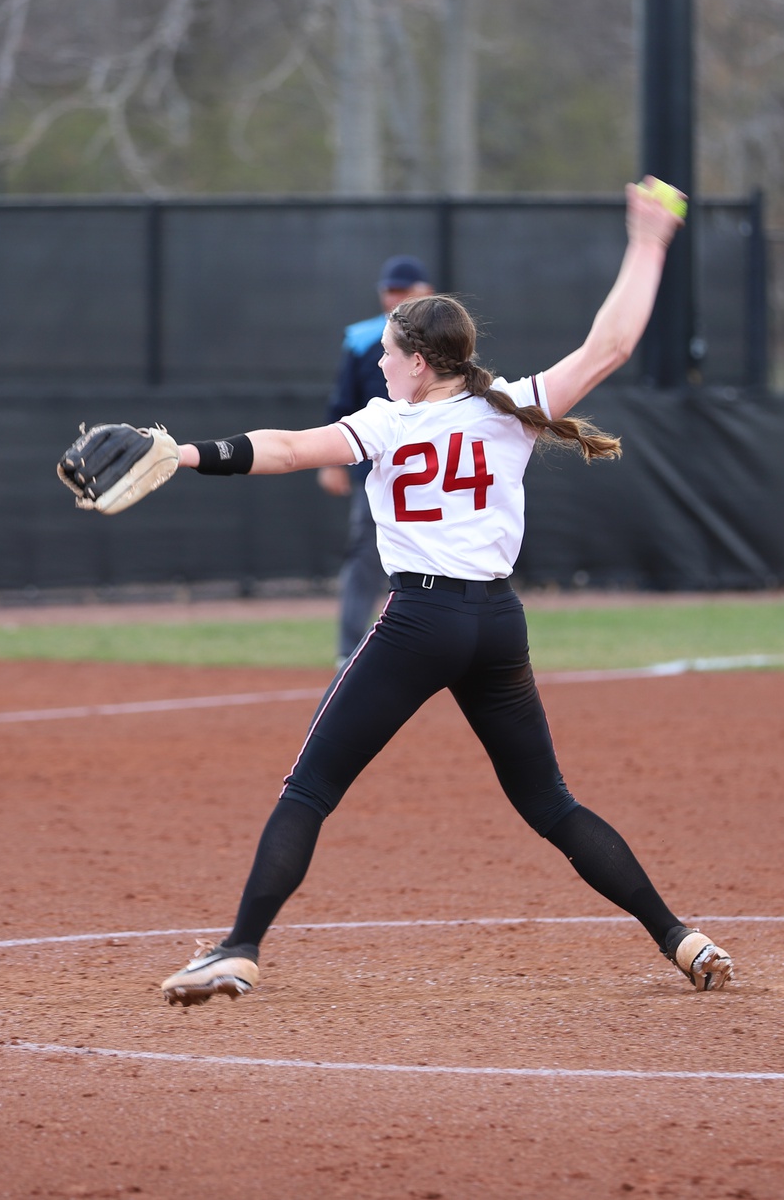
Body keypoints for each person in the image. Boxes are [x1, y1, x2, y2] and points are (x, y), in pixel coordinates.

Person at [155, 180, 731, 1005]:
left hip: (419, 619)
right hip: (497, 623)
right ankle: (681, 936)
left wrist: (184, 453)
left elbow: (282, 448)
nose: (382, 363)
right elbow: (611, 345)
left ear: (420, 364)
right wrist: (648, 243)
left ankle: (239, 947)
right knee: (551, 803)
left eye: (391, 353)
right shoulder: (514, 408)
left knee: (309, 789)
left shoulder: (390, 421)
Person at [318, 254, 434, 664]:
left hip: (435, 470)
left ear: (427, 293)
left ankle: (429, 649)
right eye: (389, 289)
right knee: (365, 556)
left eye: (404, 289)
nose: (394, 297)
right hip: (378, 469)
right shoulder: (365, 339)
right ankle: (349, 652)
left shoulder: (446, 341)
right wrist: (332, 462)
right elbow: (342, 401)